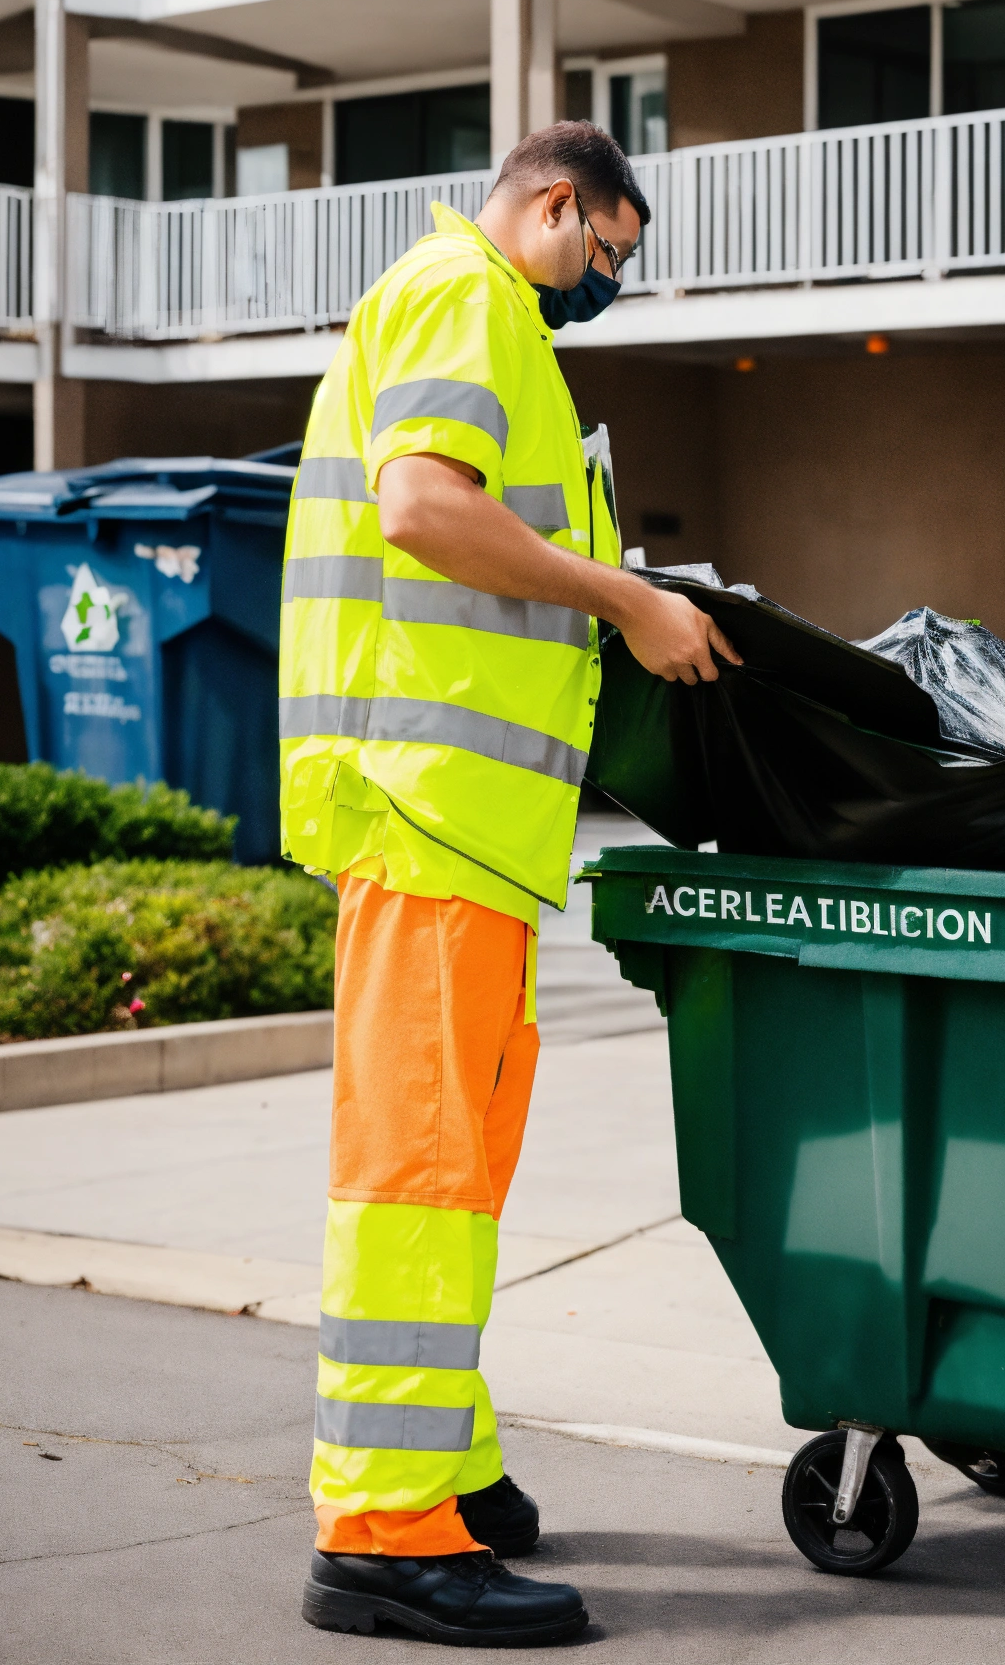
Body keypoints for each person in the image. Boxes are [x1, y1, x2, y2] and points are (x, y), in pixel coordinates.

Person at [280, 120, 739, 1646]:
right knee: (416, 1174)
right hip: (426, 814)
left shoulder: (485, 321)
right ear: (558, 204)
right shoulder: (466, 293)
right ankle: (385, 1532)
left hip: (463, 831)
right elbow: (422, 511)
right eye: (609, 253)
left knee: (451, 1176)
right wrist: (625, 597)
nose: (606, 283)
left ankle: (445, 1473)